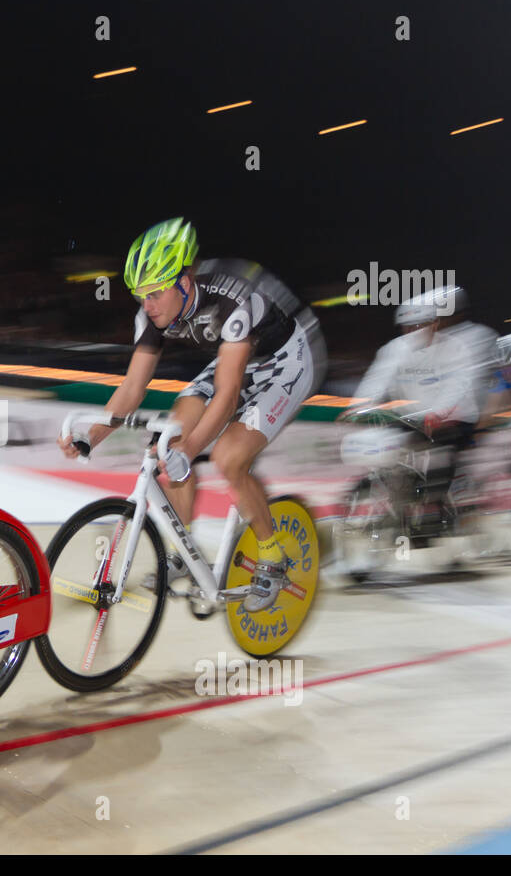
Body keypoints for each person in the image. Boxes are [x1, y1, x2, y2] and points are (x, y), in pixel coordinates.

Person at [59, 218, 328, 613]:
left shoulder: (233, 298)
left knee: (229, 458)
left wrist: (193, 447)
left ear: (184, 282)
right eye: (139, 296)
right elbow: (133, 389)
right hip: (235, 358)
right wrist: (91, 437)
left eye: (153, 294)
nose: (146, 306)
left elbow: (228, 392)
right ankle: (184, 550)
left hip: (287, 362)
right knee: (169, 442)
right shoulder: (149, 315)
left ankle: (273, 557)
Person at [343, 286, 495, 528]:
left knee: (440, 460)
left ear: (434, 324)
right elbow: (377, 378)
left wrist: (441, 413)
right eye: (409, 327)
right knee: (389, 456)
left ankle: (435, 509)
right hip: (410, 418)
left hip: (453, 419)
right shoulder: (394, 349)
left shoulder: (454, 349)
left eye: (421, 325)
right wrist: (358, 406)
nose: (414, 331)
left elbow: (457, 385)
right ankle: (396, 505)